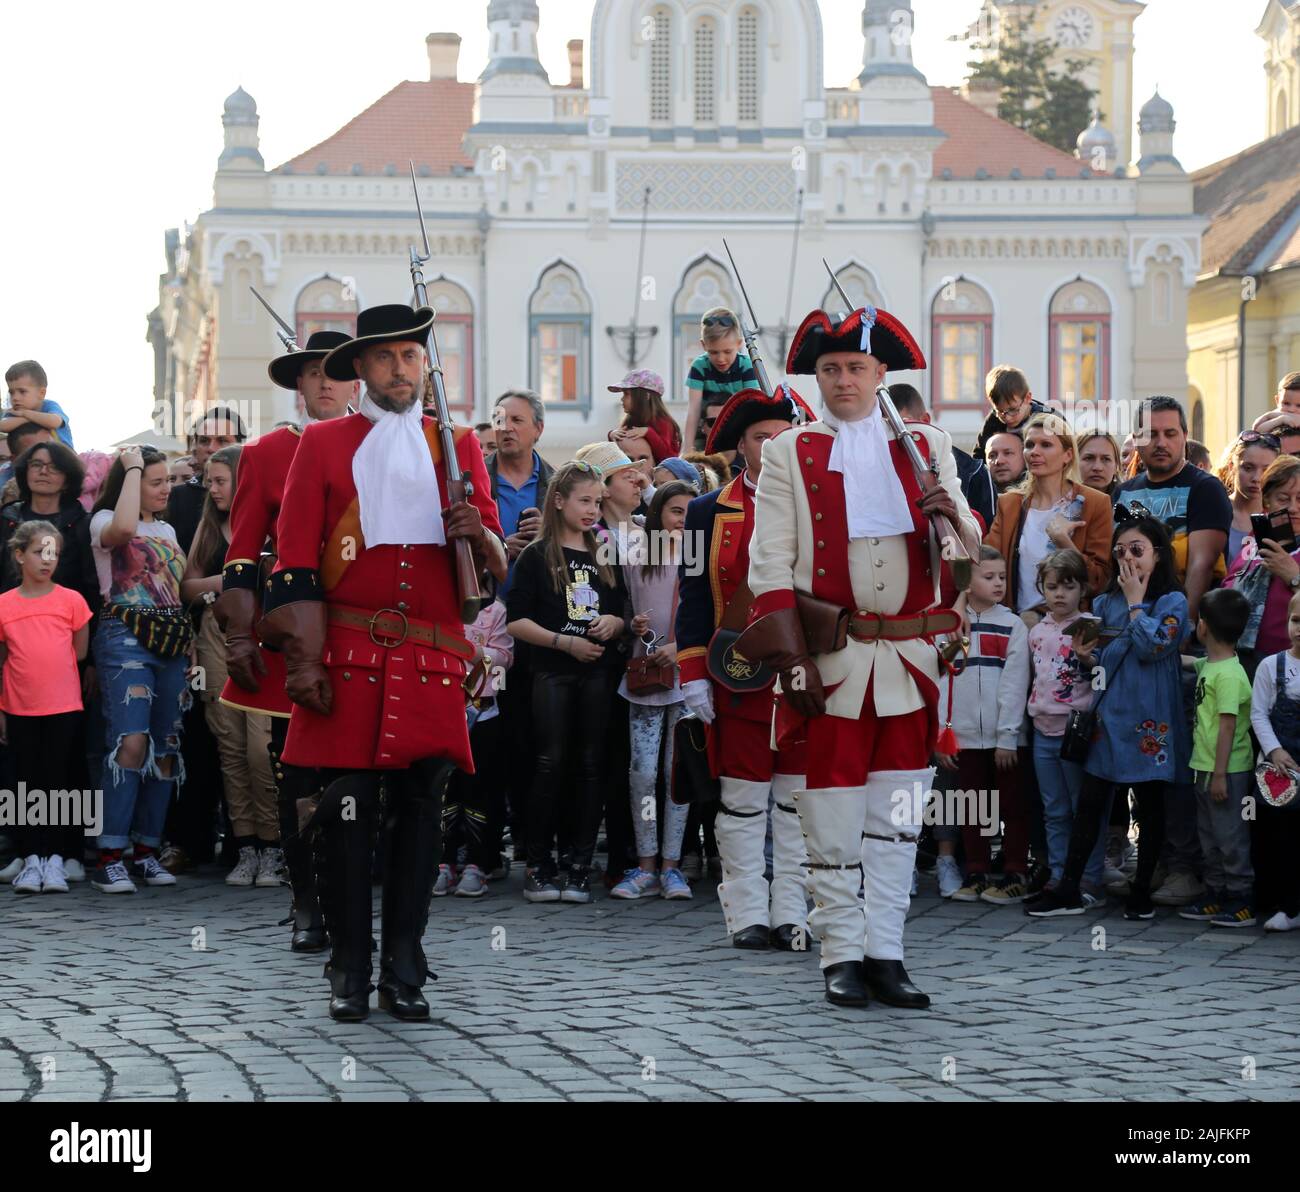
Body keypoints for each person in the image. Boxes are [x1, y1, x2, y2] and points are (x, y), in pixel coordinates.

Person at [259, 303, 506, 1020]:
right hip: (346, 656)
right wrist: (303, 660)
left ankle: (405, 957)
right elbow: (298, 557)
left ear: (424, 365)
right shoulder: (326, 443)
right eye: (385, 358)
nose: (400, 370)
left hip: (430, 658)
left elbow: (489, 572)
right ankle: (347, 961)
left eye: (411, 357)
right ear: (360, 369)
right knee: (344, 815)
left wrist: (480, 536)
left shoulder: (456, 445)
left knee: (421, 815)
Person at [744, 304, 981, 1008]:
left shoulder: (927, 442)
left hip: (912, 657)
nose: (843, 380)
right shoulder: (792, 451)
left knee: (899, 814)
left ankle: (887, 951)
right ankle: (840, 952)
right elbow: (770, 565)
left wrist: (952, 513)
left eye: (855, 368)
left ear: (881, 374)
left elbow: (969, 545)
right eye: (829, 370)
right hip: (836, 656)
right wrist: (792, 661)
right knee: (833, 813)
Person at [213, 329, 355, 943]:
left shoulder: (383, 441)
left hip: (360, 625)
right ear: (297, 384)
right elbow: (243, 549)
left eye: (335, 372)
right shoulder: (267, 452)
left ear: (357, 380)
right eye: (312, 373)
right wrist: (241, 635)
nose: (323, 383)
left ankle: (356, 891)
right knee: (295, 772)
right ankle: (307, 903)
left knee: (357, 771)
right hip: (292, 627)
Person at [676, 386, 814, 950]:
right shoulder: (706, 512)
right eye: (762, 436)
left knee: (797, 802)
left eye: (784, 434)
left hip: (802, 674)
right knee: (741, 801)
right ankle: (746, 912)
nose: (774, 443)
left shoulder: (818, 504)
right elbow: (690, 598)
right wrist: (691, 676)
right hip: (736, 677)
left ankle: (793, 912)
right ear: (741, 446)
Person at [1027, 512, 1191, 919]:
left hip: (1152, 721)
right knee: (1091, 802)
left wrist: (1137, 604)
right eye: (1121, 551)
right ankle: (1070, 887)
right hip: (1108, 717)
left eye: (1138, 550)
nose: (1128, 559)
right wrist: (1085, 659)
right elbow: (1102, 663)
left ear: (1158, 555)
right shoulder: (1103, 603)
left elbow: (1155, 647)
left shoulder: (1173, 601)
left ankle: (1140, 892)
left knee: (1150, 807)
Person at [505, 460, 628, 903]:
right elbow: (515, 620)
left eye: (598, 501)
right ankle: (540, 863)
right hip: (552, 673)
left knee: (591, 764)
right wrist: (563, 643)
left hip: (598, 675)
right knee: (549, 763)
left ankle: (580, 863)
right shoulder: (538, 557)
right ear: (559, 501)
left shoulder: (604, 553)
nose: (593, 510)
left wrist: (615, 621)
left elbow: (623, 610)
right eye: (584, 501)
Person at [88, 446, 191, 895]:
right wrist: (130, 466)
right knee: (129, 743)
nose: (166, 488)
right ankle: (111, 854)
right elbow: (124, 528)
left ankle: (147, 851)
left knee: (165, 747)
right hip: (123, 636)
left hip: (172, 640)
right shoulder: (103, 520)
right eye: (155, 481)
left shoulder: (167, 528)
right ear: (131, 482)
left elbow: (177, 587)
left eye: (168, 480)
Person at [183, 445, 283, 889]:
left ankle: (274, 844)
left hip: (263, 637)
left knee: (262, 747)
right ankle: (245, 846)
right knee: (229, 745)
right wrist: (234, 579)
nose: (212, 487)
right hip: (214, 637)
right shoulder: (209, 527)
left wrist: (232, 582)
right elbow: (188, 588)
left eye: (221, 479)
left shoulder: (270, 522)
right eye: (209, 480)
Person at [610, 481, 696, 901]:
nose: (682, 519)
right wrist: (634, 627)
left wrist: (679, 649)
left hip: (687, 681)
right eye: (675, 510)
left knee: (675, 774)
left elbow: (712, 617)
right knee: (642, 774)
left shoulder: (698, 557)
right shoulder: (634, 556)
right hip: (645, 679)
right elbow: (625, 612)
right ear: (659, 512)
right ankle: (645, 864)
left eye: (688, 511)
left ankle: (672, 865)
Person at [0, 520, 94, 893]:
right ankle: (30, 857)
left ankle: (56, 857)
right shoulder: (4, 604)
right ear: (20, 555)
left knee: (59, 782)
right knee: (23, 783)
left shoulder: (72, 600)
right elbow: (4, 660)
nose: (47, 560)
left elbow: (80, 652)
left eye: (52, 552)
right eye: (39, 551)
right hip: (19, 707)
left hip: (63, 706)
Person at [935, 547, 1030, 903]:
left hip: (1003, 737)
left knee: (1012, 804)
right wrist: (943, 732)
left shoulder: (1012, 625)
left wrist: (1008, 735)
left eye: (1002, 577)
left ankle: (1015, 870)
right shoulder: (947, 625)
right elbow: (941, 680)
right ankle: (976, 870)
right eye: (988, 577)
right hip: (963, 735)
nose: (998, 584)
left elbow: (1015, 682)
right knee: (973, 803)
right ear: (966, 582)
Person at [486, 388, 553, 862]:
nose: (505, 427)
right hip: (484, 629)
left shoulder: (556, 484)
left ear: (537, 429)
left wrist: (541, 543)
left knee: (537, 740)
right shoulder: (471, 480)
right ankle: (482, 847)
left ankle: (534, 842)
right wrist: (497, 550)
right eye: (499, 419)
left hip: (539, 629)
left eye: (516, 419)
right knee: (490, 743)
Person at [1024, 549, 1103, 896]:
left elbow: (1100, 676)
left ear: (1082, 590)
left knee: (1081, 807)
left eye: (1068, 587)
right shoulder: (1036, 631)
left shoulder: (1089, 627)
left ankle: (1088, 875)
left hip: (1075, 730)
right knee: (1053, 808)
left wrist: (1088, 662)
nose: (1059, 594)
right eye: (1052, 586)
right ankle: (1058, 873)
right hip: (1042, 728)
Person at [1114, 396, 1231, 625]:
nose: (1160, 443)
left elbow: (1202, 565)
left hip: (1176, 623)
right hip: (1124, 620)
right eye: (1151, 434)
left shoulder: (1205, 488)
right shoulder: (1123, 493)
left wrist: (1182, 625)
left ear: (1184, 436)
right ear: (1136, 439)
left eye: (1170, 433)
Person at [985, 413, 1112, 618]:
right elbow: (987, 563)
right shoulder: (1009, 504)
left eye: (1045, 445)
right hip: (1016, 624)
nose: (1034, 452)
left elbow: (1100, 581)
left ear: (1067, 455)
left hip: (1068, 629)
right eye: (1029, 445)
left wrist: (1064, 542)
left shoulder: (1095, 503)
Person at [1180, 588, 1255, 928]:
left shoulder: (1229, 675)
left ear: (1205, 627)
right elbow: (1187, 662)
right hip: (1203, 767)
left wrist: (1221, 773)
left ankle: (1241, 899)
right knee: (1208, 834)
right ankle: (1216, 892)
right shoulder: (1211, 664)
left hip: (1227, 771)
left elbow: (1228, 726)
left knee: (1231, 835)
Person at [437, 596, 514, 897]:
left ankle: (477, 863)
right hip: (440, 709)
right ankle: (443, 861)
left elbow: (504, 659)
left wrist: (468, 649)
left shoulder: (495, 611)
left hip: (482, 712)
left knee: (479, 788)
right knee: (446, 788)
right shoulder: (438, 605)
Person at [1248, 588, 1300, 932]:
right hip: (1280, 766)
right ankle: (1287, 904)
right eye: (1296, 620)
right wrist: (1275, 750)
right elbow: (1258, 713)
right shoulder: (1272, 665)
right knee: (1280, 835)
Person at [1223, 453, 1300, 679]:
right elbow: (1230, 585)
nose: (1293, 508)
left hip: (1292, 666)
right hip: (1246, 659)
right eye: (1283, 498)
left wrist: (1294, 577)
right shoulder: (1255, 539)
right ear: (1267, 502)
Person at [166, 406, 247, 555]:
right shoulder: (177, 497)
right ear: (194, 446)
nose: (211, 448)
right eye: (204, 440)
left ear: (241, 445)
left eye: (222, 441)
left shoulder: (257, 495)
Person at [682, 308, 759, 453]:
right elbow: (694, 409)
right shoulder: (699, 367)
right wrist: (687, 449)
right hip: (707, 431)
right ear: (704, 345)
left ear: (739, 344)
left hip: (738, 429)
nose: (721, 359)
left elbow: (752, 406)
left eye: (727, 352)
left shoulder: (746, 366)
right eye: (713, 352)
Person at [1216, 431, 1281, 568]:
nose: (1257, 478)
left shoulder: (1280, 518)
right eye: (1248, 468)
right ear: (1232, 467)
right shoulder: (1214, 510)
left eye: (1266, 470)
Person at [972, 365, 1047, 460]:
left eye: (1013, 410)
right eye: (1000, 411)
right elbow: (979, 455)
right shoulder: (993, 420)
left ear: (1027, 398)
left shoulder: (1046, 420)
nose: (1007, 417)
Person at [607, 370, 682, 463]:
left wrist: (649, 433)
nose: (622, 399)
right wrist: (612, 435)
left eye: (626, 394)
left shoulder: (663, 422)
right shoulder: (630, 420)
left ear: (646, 396)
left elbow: (668, 458)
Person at [2, 360, 74, 450]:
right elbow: (3, 426)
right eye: (12, 392)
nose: (15, 397)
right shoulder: (15, 411)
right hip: (33, 458)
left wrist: (25, 414)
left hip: (63, 458)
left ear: (41, 393)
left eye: (22, 391)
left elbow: (54, 422)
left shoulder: (49, 405)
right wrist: (27, 418)